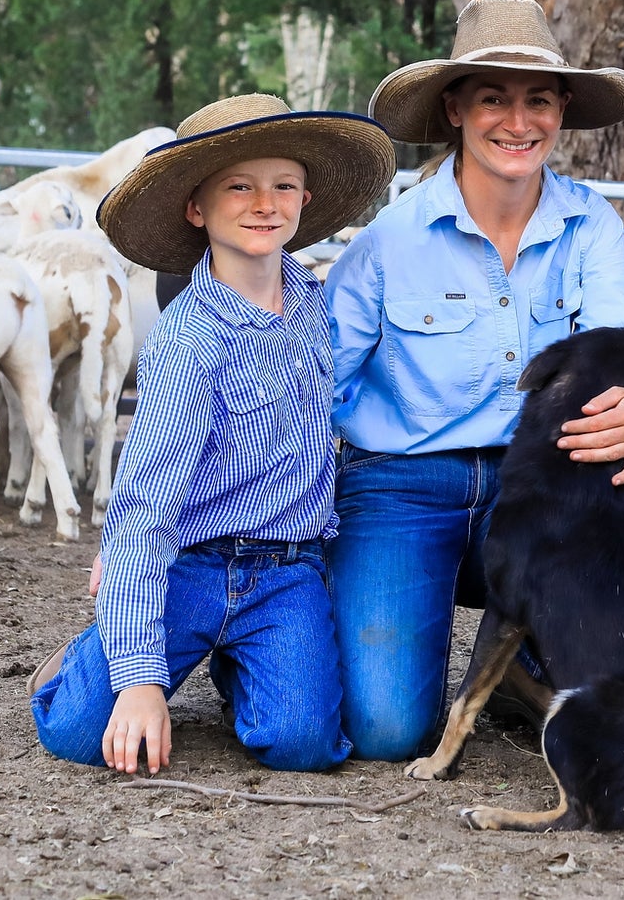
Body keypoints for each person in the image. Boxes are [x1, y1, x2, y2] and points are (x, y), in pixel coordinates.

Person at [325, 0, 624, 762]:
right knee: (387, 729)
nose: (518, 121)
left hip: (535, 479)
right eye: (493, 98)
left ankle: (535, 659)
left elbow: (615, 360)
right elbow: (316, 387)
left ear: (562, 109)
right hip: (405, 481)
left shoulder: (590, 224)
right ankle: (316, 613)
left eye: (539, 100)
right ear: (456, 108)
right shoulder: (389, 241)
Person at [31, 95, 397, 775]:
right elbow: (145, 504)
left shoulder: (313, 305)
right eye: (238, 186)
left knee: (302, 744)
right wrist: (138, 681)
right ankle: (100, 656)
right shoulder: (189, 342)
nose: (264, 203)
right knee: (78, 734)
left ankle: (241, 661)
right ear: (197, 208)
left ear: (304, 199)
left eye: (282, 185)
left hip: (287, 569)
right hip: (187, 566)